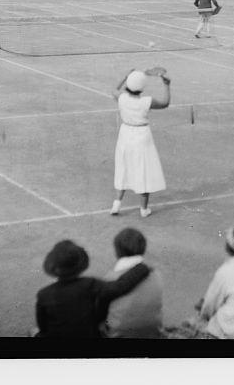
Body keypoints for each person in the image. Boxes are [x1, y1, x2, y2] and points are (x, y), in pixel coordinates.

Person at [35, 239, 152, 338]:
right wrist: (141, 268)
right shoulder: (89, 284)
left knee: (36, 332)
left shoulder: (44, 295)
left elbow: (43, 327)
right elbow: (120, 286)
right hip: (88, 335)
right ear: (81, 264)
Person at [111, 69, 169, 217]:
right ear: (142, 88)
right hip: (142, 136)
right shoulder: (146, 101)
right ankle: (143, 209)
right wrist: (166, 85)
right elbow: (165, 103)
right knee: (144, 171)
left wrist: (126, 76)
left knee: (123, 167)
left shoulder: (122, 98)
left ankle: (117, 204)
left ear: (128, 85)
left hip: (125, 134)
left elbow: (114, 90)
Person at [101, 228, 164, 339]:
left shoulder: (110, 278)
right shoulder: (156, 274)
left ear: (117, 251)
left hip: (119, 333)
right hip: (152, 331)